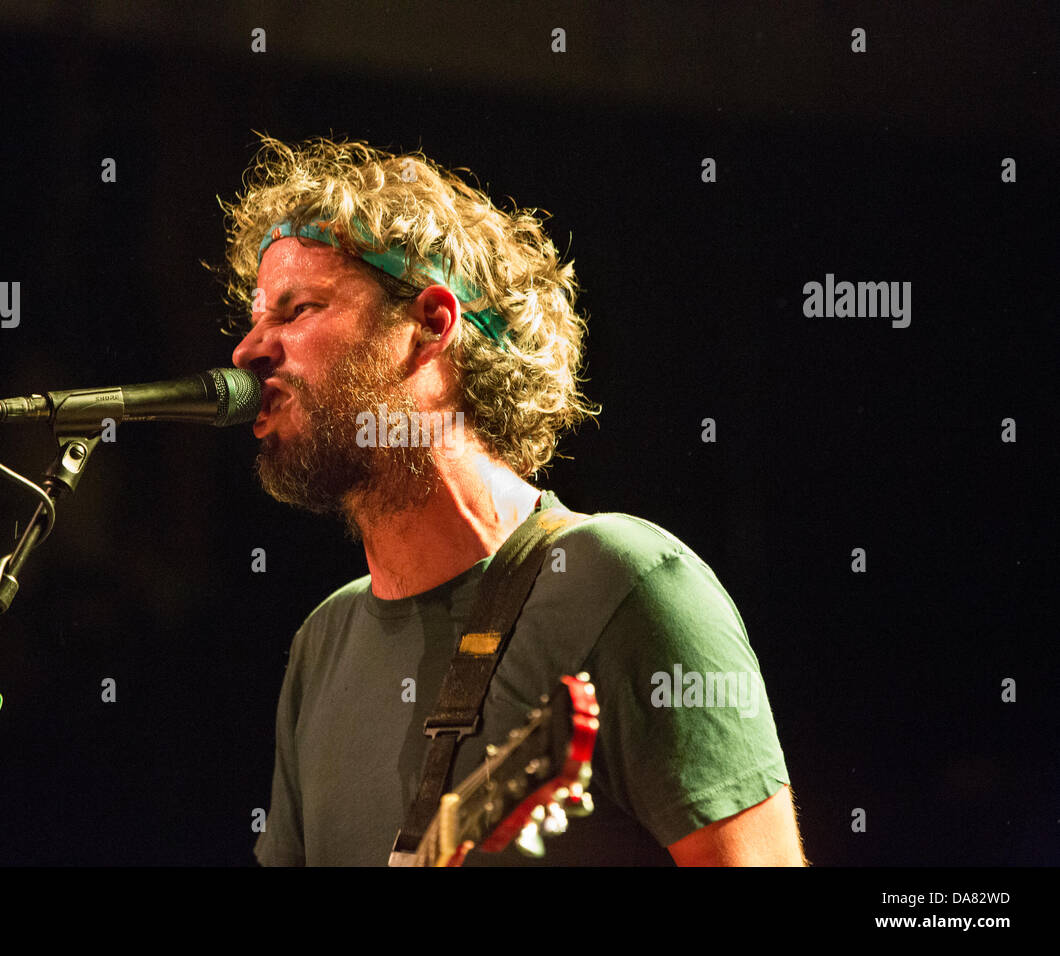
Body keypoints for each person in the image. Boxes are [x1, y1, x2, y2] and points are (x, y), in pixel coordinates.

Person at [214, 134, 805, 866]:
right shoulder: (322, 643)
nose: (248, 349)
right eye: (255, 315)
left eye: (296, 309)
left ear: (431, 325)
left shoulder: (623, 584)